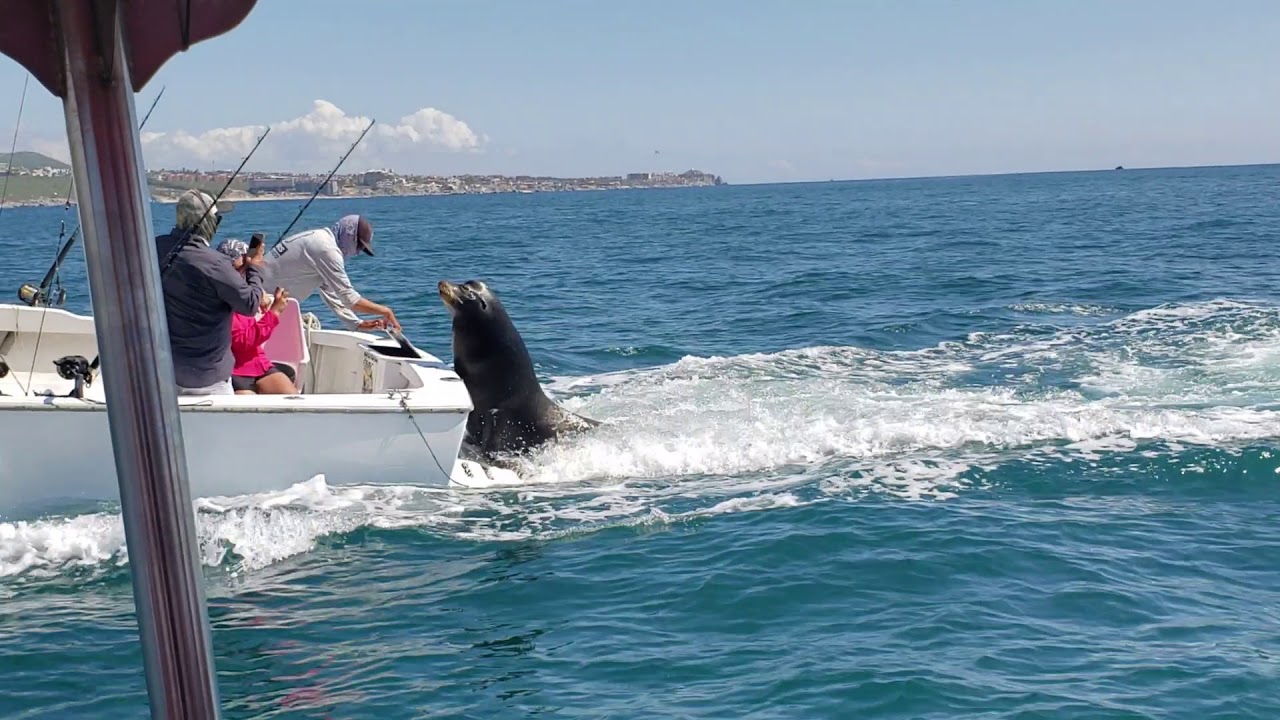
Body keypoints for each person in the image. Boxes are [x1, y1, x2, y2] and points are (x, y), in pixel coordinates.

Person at [156, 189, 265, 395]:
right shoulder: (216, 263)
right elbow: (250, 304)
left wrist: (231, 274)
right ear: (207, 223)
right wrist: (255, 268)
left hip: (165, 370)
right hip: (208, 378)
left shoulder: (153, 248)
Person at [262, 214, 398, 332]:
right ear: (350, 233)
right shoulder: (327, 250)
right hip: (262, 303)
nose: (357, 252)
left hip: (262, 300)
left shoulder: (321, 238)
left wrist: (356, 324)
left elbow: (332, 293)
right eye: (359, 246)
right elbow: (350, 299)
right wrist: (385, 311)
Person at [215, 238, 298, 395]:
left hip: (259, 363)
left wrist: (261, 295)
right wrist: (275, 312)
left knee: (293, 400)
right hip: (234, 371)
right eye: (242, 268)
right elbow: (243, 341)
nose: (244, 273)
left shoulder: (246, 294)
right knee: (249, 411)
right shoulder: (220, 299)